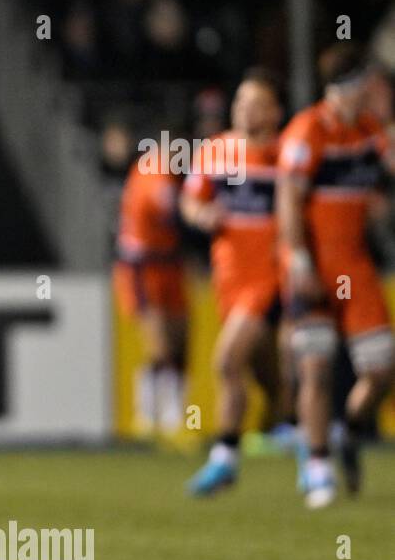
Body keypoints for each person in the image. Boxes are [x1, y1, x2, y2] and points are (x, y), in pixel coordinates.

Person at [277, 44, 395, 507]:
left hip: (356, 264)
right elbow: (288, 199)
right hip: (313, 265)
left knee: (381, 368)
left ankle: (346, 430)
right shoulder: (308, 130)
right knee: (316, 365)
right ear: (350, 86)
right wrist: (299, 260)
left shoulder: (369, 131)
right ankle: (318, 463)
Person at [183, 70, 284, 494]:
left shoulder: (287, 155)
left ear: (275, 112)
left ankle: (225, 457)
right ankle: (303, 431)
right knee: (266, 375)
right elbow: (191, 199)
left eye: (256, 104)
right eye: (241, 103)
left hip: (270, 278)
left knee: (227, 361)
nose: (246, 112)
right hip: (230, 279)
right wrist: (201, 215)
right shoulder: (215, 151)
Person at [113, 137, 187, 437]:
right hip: (144, 266)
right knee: (160, 345)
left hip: (168, 264)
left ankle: (172, 417)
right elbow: (172, 215)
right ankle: (151, 416)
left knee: (178, 341)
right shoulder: (154, 173)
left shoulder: (153, 172)